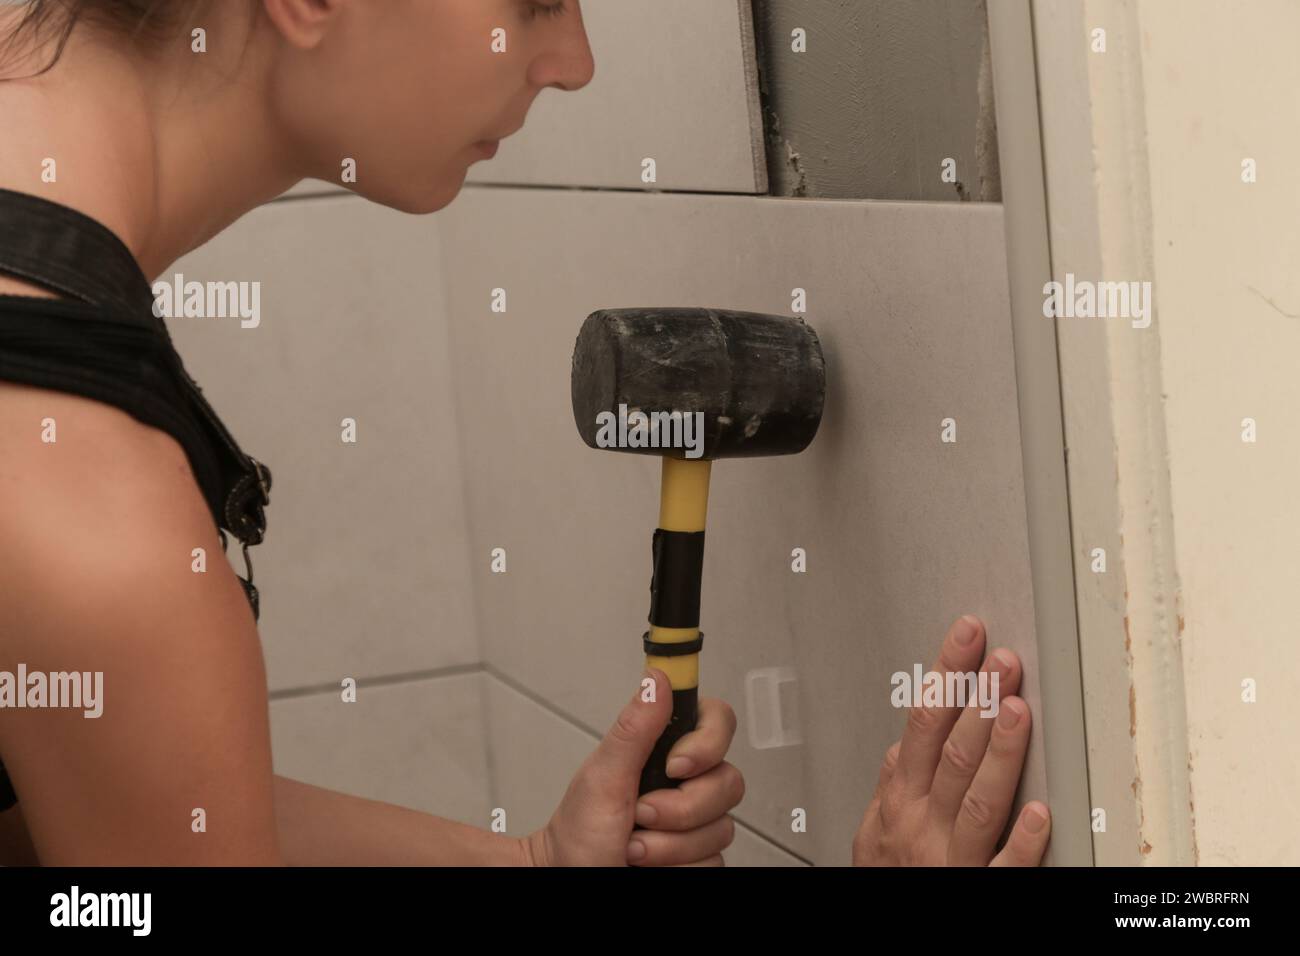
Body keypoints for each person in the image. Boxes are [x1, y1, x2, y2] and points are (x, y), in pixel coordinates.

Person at [0, 0, 1049, 866]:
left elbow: (107, 796)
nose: (572, 62)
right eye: (536, 2)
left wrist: (533, 862)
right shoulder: (96, 512)